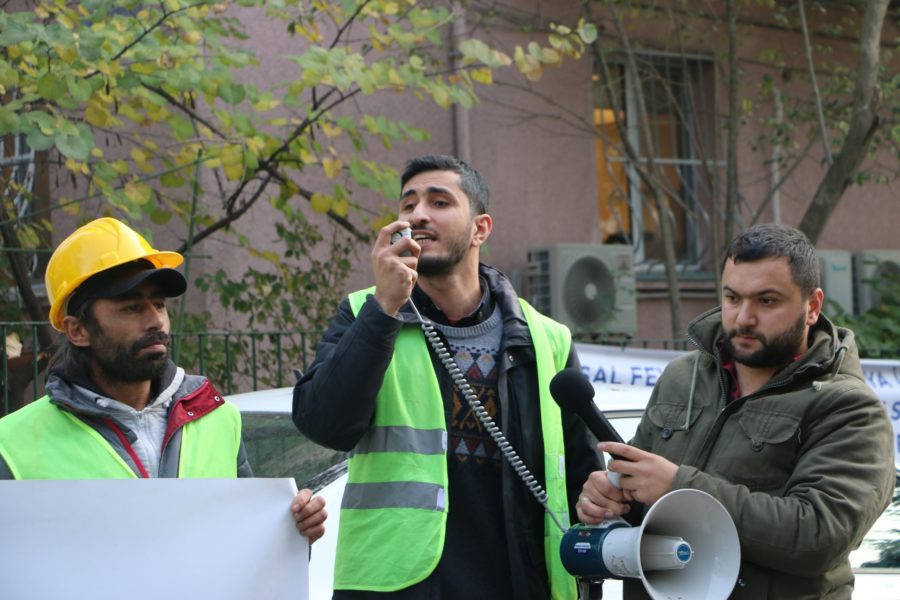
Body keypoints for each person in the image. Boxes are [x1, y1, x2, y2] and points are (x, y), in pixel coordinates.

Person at [293, 155, 602, 599]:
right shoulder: (366, 313)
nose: (418, 214)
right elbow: (325, 425)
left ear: (480, 229)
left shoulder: (546, 339)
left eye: (439, 202)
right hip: (401, 588)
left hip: (520, 584)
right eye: (408, 205)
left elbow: (581, 478)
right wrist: (384, 308)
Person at [577, 223, 895, 599]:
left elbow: (819, 537)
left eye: (767, 301)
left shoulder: (850, 408)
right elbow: (644, 502)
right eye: (732, 297)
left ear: (812, 307)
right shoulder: (681, 377)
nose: (744, 317)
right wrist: (610, 499)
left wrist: (679, 486)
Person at [0, 217, 327, 543]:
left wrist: (289, 533)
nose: (155, 320)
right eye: (131, 308)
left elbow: (242, 541)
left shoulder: (217, 418)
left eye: (158, 304)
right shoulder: (13, 444)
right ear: (78, 330)